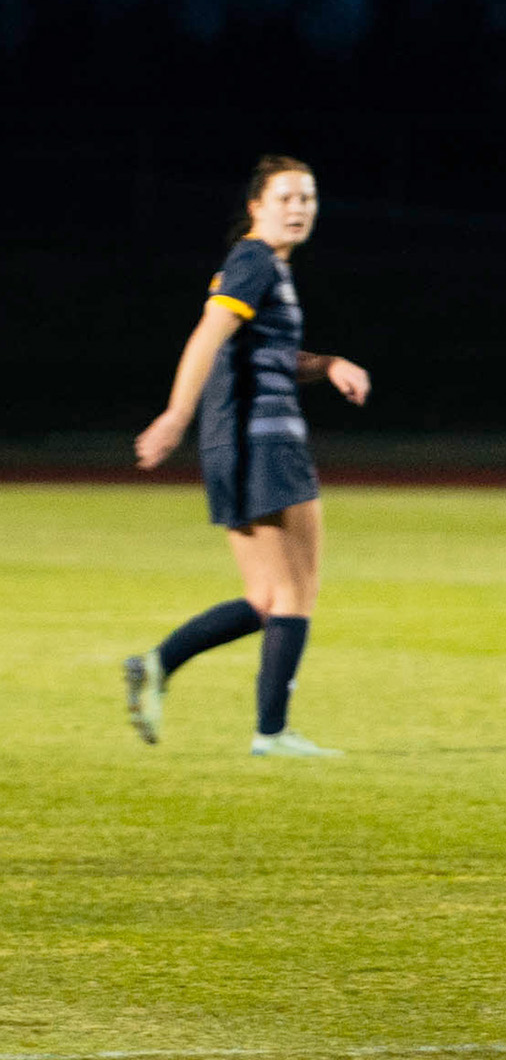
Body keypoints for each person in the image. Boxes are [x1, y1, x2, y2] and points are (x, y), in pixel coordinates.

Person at [126, 155, 370, 757]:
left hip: (231, 442)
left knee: (266, 598)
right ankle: (272, 734)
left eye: (307, 199)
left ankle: (158, 663)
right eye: (285, 198)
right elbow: (208, 334)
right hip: (264, 438)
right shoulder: (255, 260)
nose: (298, 209)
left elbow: (268, 353)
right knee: (297, 595)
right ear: (256, 206)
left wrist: (330, 363)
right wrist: (174, 416)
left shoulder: (262, 268)